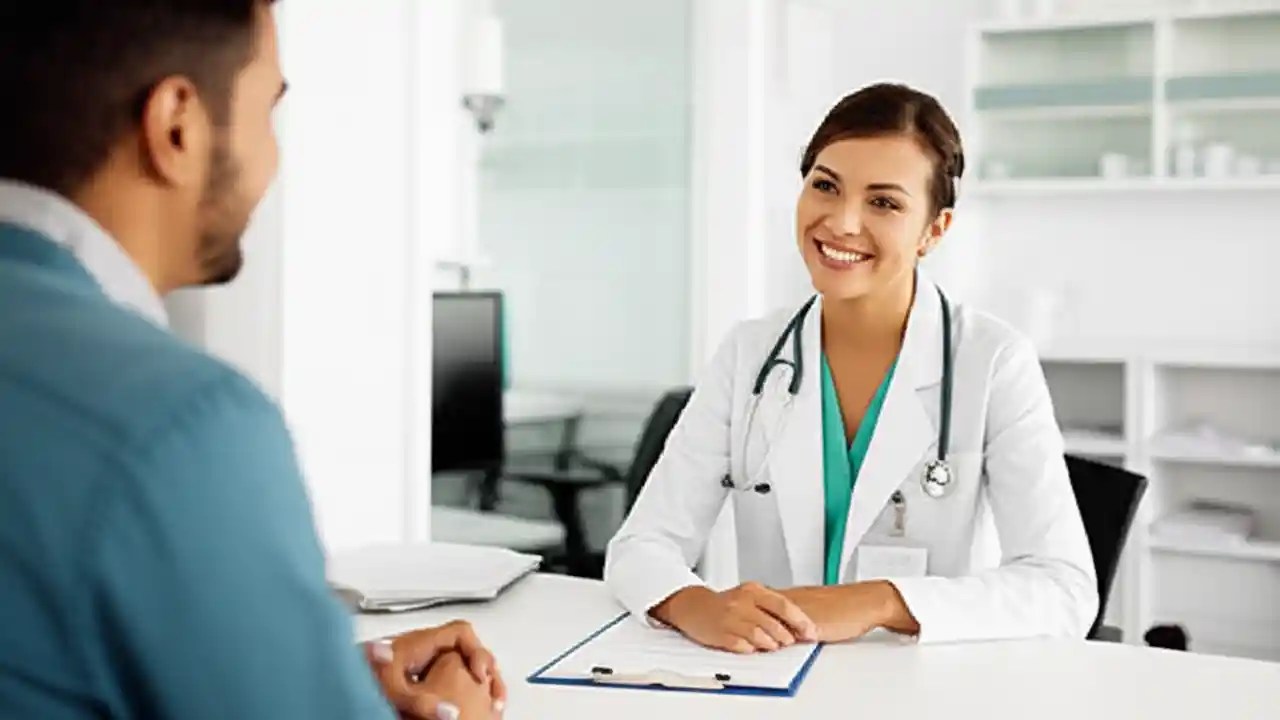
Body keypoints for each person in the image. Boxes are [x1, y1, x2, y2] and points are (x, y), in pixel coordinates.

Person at [0, 2, 503, 718]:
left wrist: (317, 676)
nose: (274, 158)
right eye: (268, 110)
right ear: (177, 125)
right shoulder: (178, 421)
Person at [605, 83, 1098, 652]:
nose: (841, 222)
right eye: (825, 186)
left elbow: (1063, 589)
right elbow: (641, 545)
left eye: (883, 203)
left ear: (934, 230)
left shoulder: (993, 362)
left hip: (922, 681)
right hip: (770, 670)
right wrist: (697, 606)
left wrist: (881, 602)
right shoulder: (750, 354)